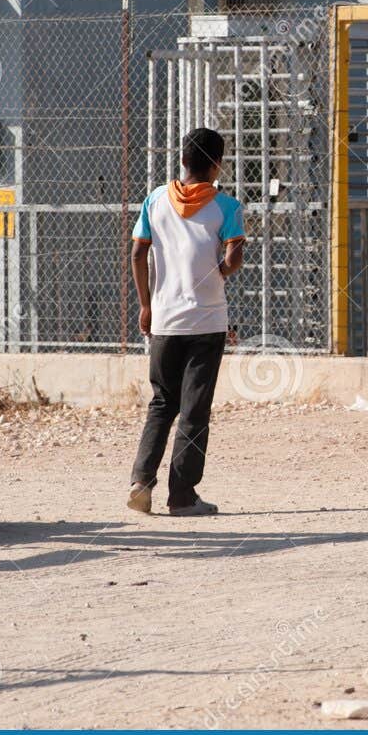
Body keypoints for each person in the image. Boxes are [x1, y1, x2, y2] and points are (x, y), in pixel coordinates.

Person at [127, 128, 244, 517]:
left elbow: (137, 254)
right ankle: (182, 496)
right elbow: (231, 262)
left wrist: (146, 306)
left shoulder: (155, 200)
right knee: (194, 410)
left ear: (182, 161)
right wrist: (219, 271)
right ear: (216, 164)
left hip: (163, 321)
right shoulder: (226, 207)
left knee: (162, 403)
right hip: (207, 322)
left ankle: (141, 482)